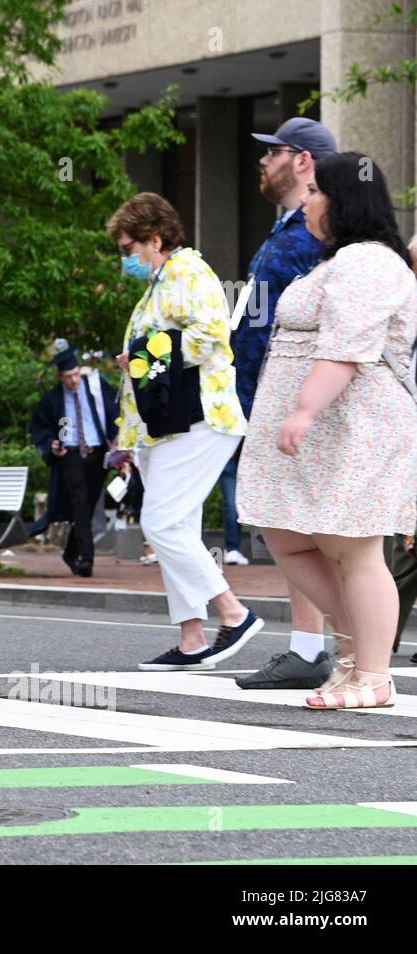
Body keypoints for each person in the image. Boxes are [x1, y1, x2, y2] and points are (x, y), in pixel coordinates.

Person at [237, 152, 417, 710]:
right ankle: (353, 654)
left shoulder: (369, 261)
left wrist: (304, 410)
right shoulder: (336, 260)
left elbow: (347, 346)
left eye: (315, 192)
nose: (308, 201)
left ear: (344, 200)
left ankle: (373, 674)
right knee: (287, 536)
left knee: (353, 548)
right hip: (319, 429)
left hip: (353, 424)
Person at [108, 192, 264, 671]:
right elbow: (162, 348)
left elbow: (209, 335)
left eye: (129, 247)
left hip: (199, 419)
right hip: (170, 425)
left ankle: (233, 613)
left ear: (155, 239)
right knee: (179, 523)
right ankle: (193, 638)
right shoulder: (160, 280)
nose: (125, 258)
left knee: (163, 523)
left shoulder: (187, 272)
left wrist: (142, 357)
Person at [230, 118, 340, 690]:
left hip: (295, 395)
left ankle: (333, 644)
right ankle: (309, 645)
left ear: (301, 161)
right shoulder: (291, 228)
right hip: (268, 392)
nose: (262, 161)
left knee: (304, 524)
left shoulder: (321, 233)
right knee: (289, 519)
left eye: (272, 153)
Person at [29, 341, 119, 576]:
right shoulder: (53, 400)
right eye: (68, 377)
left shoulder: (97, 388)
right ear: (60, 377)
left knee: (88, 506)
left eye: (76, 374)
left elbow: (116, 409)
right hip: (70, 456)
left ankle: (70, 552)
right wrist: (53, 445)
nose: (74, 381)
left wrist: (117, 436)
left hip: (98, 453)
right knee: (80, 502)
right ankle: (87, 559)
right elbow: (42, 429)